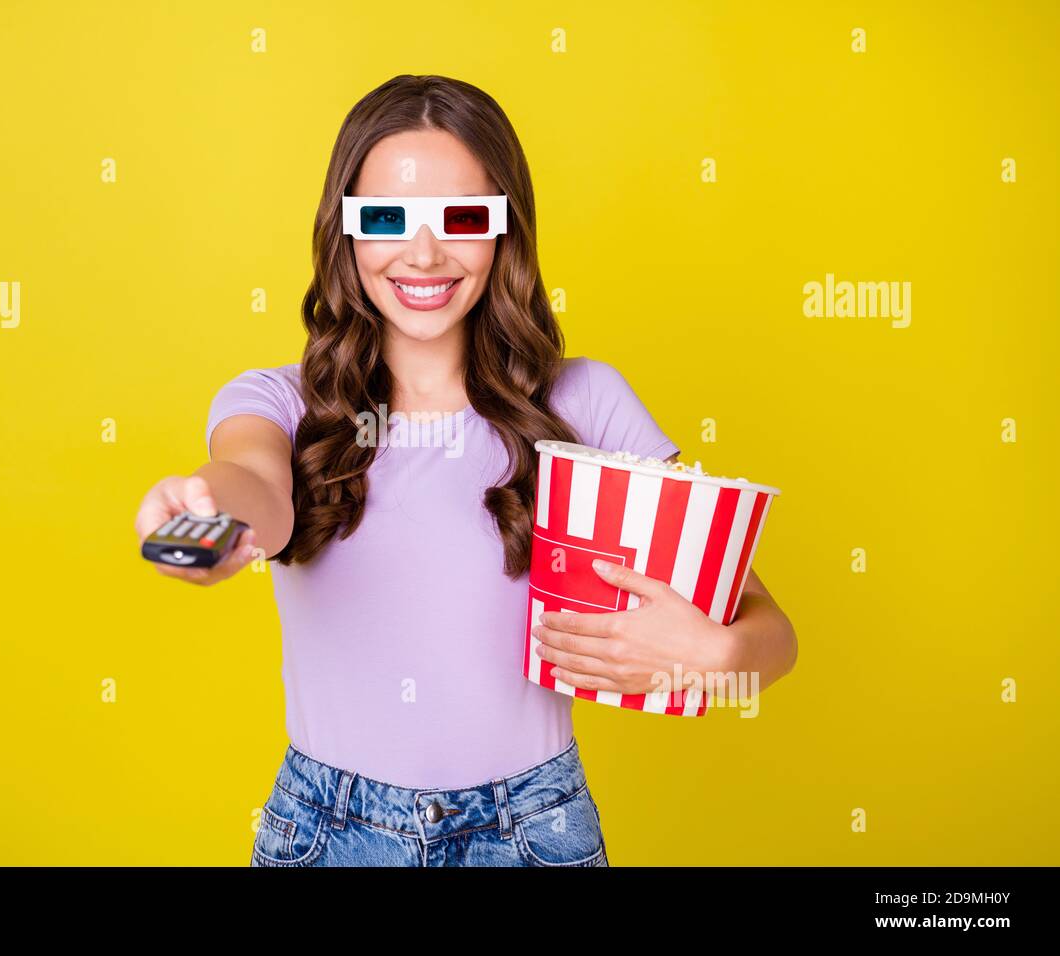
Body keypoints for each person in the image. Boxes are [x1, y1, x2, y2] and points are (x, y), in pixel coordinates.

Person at [134, 74, 797, 867]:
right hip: (327, 834)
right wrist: (209, 509)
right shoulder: (279, 401)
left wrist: (714, 656)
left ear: (504, 231)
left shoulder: (585, 402)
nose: (423, 253)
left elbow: (771, 634)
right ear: (343, 233)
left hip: (535, 831)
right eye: (384, 219)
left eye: (460, 219)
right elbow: (257, 487)